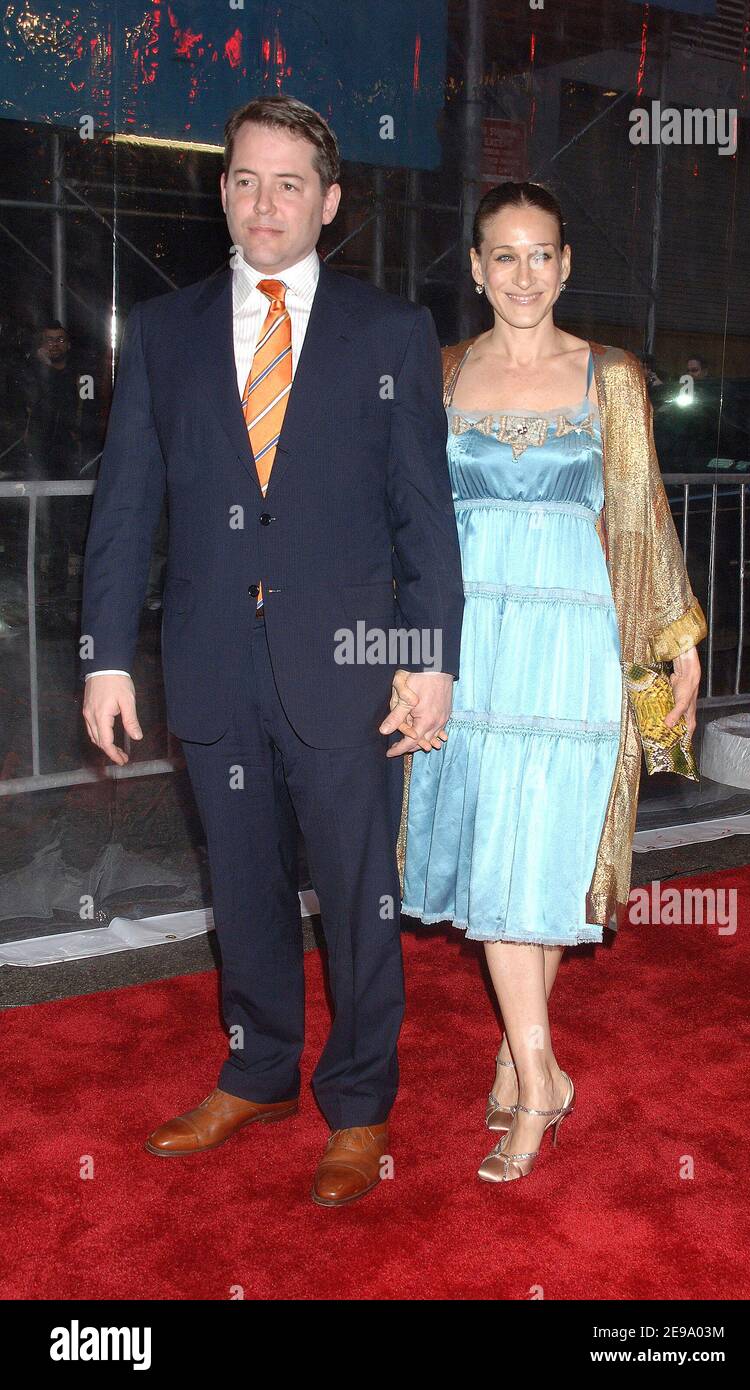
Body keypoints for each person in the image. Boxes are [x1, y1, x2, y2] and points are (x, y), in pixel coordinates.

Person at [80, 95, 463, 1207]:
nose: (264, 201)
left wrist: (429, 658)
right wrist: (107, 653)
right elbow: (124, 504)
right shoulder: (163, 331)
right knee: (238, 884)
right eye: (245, 179)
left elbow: (421, 516)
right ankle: (255, 1072)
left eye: (288, 182)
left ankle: (359, 1102)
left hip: (350, 662)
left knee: (355, 896)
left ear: (329, 201)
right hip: (207, 658)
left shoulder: (391, 334)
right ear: (222, 190)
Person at [400, 181, 707, 1184]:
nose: (523, 274)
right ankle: (538, 1067)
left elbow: (637, 514)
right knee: (500, 855)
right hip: (473, 645)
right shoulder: (440, 373)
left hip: (572, 645)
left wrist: (672, 640)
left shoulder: (608, 375)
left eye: (541, 255)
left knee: (539, 855)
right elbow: (409, 523)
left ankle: (533, 1079)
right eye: (504, 255)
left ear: (564, 264)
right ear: (477, 267)